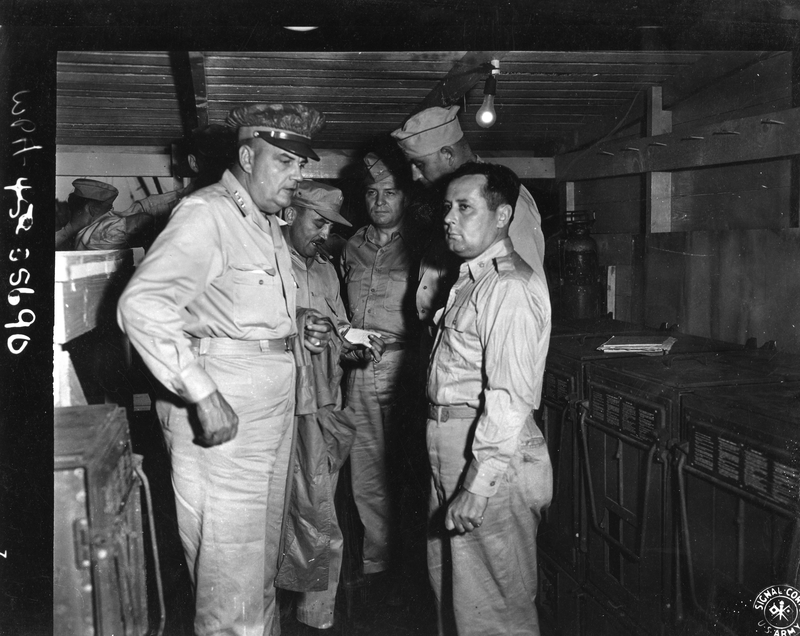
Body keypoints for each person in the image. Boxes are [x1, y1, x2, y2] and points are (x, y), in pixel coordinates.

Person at [117, 103, 332, 636]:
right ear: (245, 156)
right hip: (227, 416)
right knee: (229, 577)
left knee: (254, 570)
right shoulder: (208, 212)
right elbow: (141, 306)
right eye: (284, 161)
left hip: (267, 410)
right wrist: (201, 391)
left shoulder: (261, 223)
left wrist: (296, 322)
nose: (297, 176)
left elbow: (230, 307)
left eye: (300, 164)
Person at [425, 162, 552, 636]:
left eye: (464, 208)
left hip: (489, 455)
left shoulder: (509, 287)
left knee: (496, 609)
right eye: (446, 208)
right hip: (453, 445)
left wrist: (478, 485)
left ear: (502, 216)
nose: (449, 219)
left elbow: (510, 398)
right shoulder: (472, 278)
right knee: (455, 595)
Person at [274, 180, 384, 634]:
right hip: (280, 410)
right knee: (279, 519)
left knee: (319, 516)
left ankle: (315, 619)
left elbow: (338, 330)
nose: (323, 233)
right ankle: (272, 616)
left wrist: (356, 345)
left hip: (324, 409)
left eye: (328, 225)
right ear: (290, 213)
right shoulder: (266, 261)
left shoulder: (322, 269)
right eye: (317, 221)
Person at [340, 151, 421, 588]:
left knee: (407, 469)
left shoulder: (423, 244)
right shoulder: (352, 244)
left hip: (404, 367)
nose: (380, 201)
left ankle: (411, 568)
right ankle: (378, 565)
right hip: (358, 368)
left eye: (390, 193)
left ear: (405, 198)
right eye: (372, 193)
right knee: (365, 469)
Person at [390, 105, 547, 326]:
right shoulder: (448, 201)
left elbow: (518, 290)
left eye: (419, 164)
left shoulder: (505, 199)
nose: (415, 176)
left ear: (447, 155)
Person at [55, 178, 119, 249]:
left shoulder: (58, 238)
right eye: (108, 209)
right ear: (93, 210)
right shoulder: (94, 241)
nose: (110, 214)